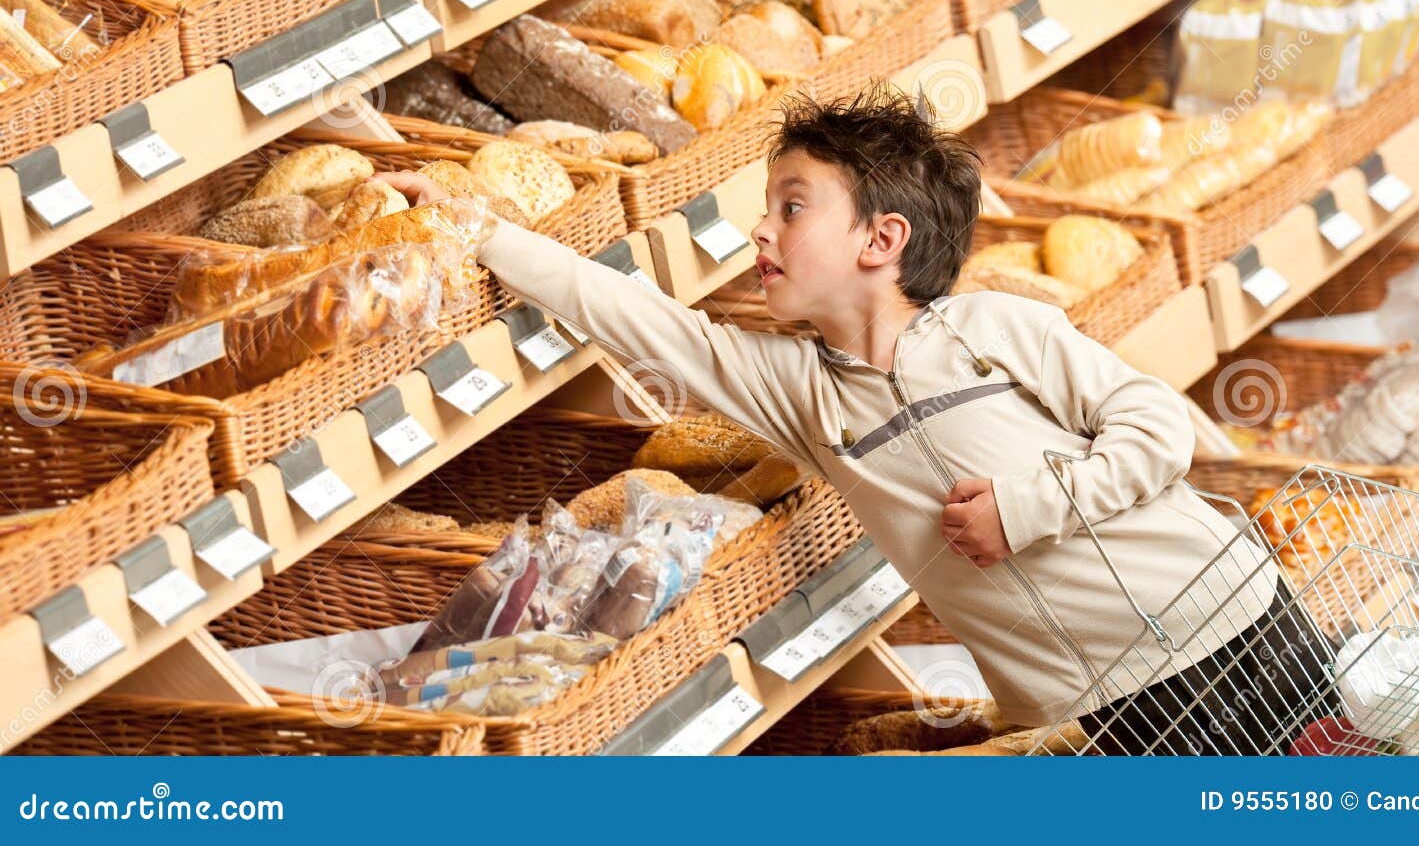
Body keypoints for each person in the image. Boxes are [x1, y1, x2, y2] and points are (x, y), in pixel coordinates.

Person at [377, 85, 1331, 754]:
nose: (761, 231)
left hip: (1237, 623)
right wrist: (486, 231)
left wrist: (1028, 506)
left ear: (883, 240)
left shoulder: (995, 326)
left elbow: (1157, 426)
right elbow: (648, 321)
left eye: (791, 208)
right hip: (1119, 706)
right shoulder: (804, 394)